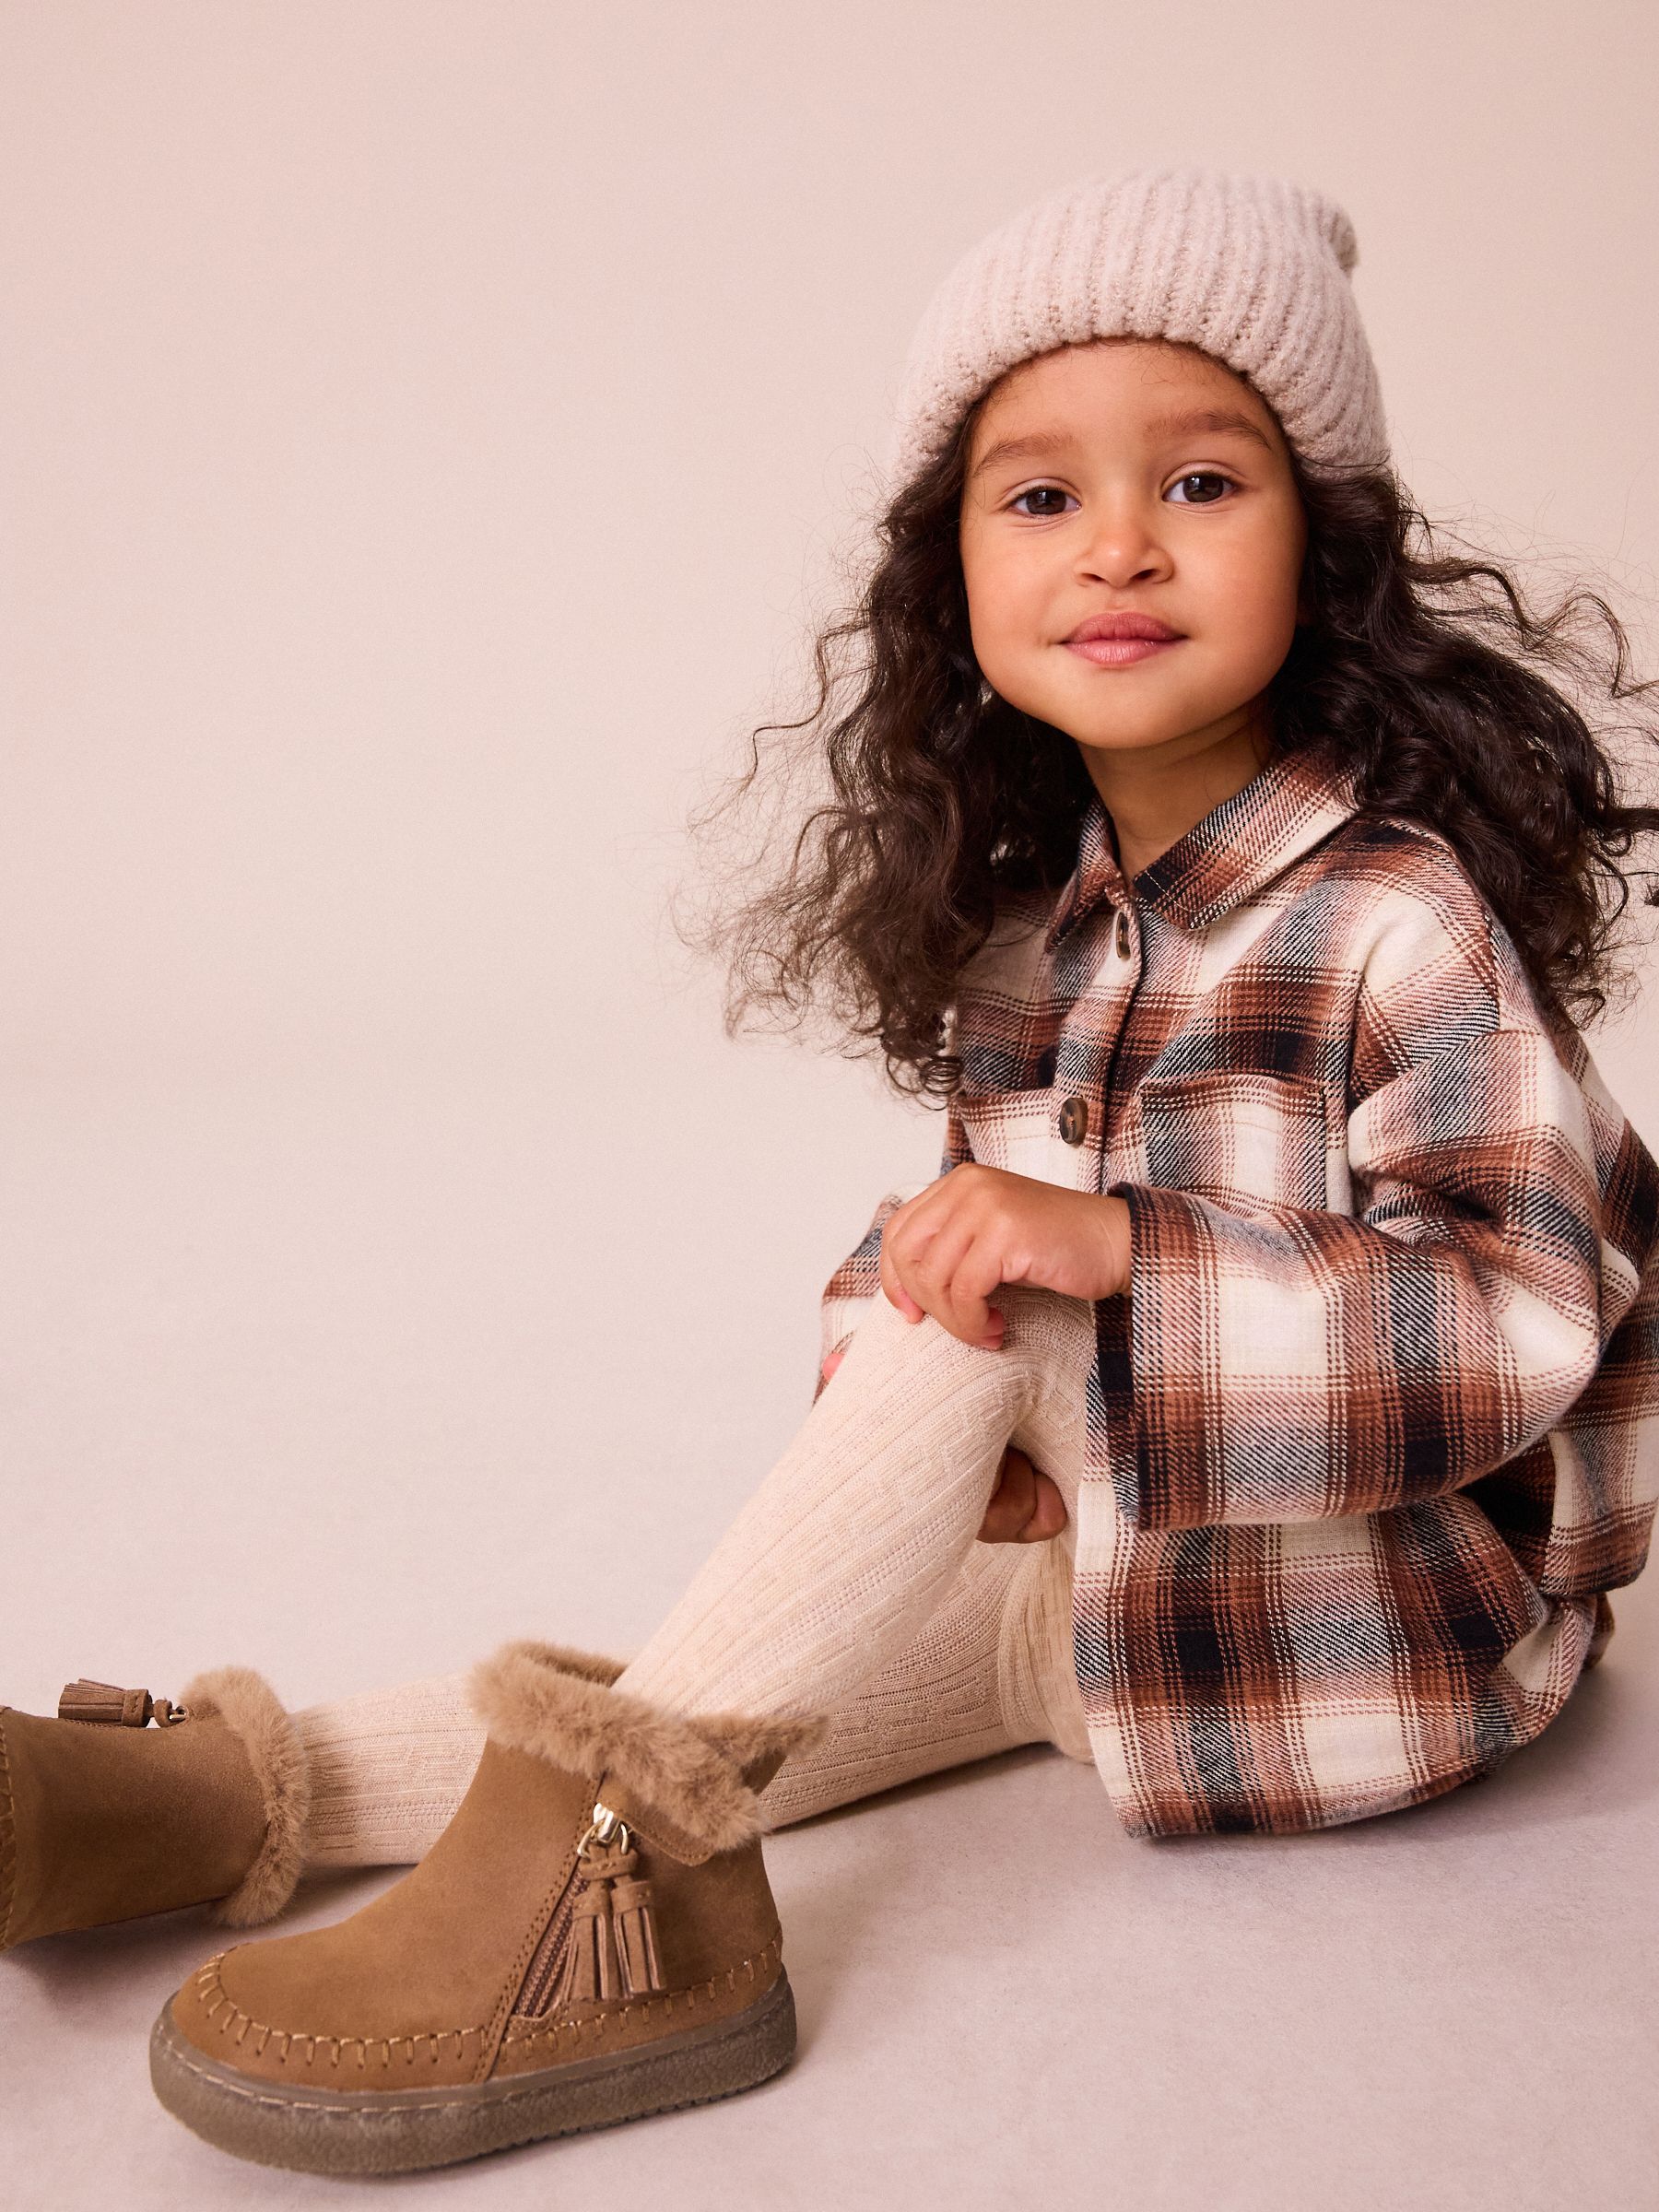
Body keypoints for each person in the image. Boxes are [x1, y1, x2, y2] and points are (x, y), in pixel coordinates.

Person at [6, 166, 1659, 2178]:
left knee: (996, 1293)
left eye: (1204, 484)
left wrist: (1113, 1256)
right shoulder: (1036, 938)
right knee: (737, 1688)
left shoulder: (1402, 924)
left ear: (1328, 555)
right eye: (1039, 497)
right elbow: (937, 1270)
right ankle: (209, 1803)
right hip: (1114, 1598)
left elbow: (1520, 1320)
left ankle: (620, 1934)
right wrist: (952, 1413)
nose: (1119, 541)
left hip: (1367, 1644)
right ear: (948, 578)